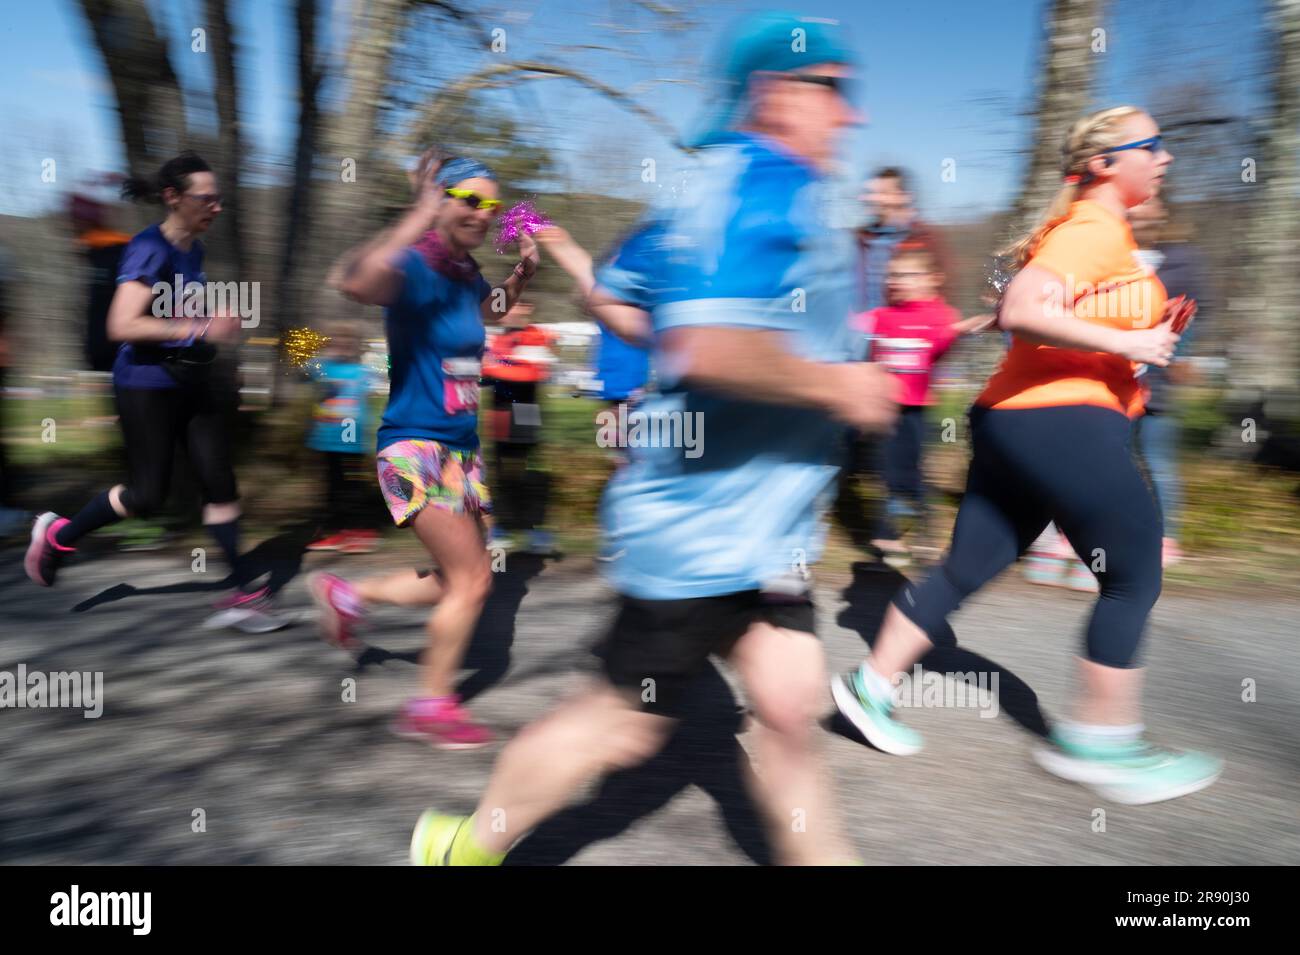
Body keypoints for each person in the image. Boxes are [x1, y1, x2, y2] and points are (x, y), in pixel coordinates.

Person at [407, 12, 899, 866]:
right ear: (775, 94)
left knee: (788, 713)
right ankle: (460, 848)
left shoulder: (725, 198)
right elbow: (707, 346)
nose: (851, 114)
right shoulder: (754, 185)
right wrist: (839, 385)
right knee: (623, 724)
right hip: (696, 537)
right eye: (836, 91)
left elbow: (615, 296)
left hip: (770, 533)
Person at [831, 106, 1222, 805]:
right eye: (1153, 147)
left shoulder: (1094, 232)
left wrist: (1147, 333)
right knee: (1133, 571)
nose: (1165, 159)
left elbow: (1059, 319)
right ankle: (1100, 746)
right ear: (1106, 163)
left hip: (1015, 419)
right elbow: (1023, 306)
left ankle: (869, 687)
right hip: (1061, 422)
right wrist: (1132, 345)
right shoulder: (1093, 226)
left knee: (967, 565)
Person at [311, 150, 539, 749]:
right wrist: (416, 215)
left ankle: (348, 593)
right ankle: (429, 706)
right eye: (470, 200)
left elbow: (488, 314)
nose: (484, 213)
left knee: (459, 579)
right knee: (473, 584)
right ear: (441, 201)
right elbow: (352, 280)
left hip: (463, 448)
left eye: (491, 204)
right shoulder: (414, 266)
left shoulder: (465, 273)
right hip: (413, 447)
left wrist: (520, 278)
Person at [24, 152, 285, 633]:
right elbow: (122, 323)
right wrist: (200, 326)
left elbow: (179, 318)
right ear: (174, 198)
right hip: (145, 385)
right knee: (147, 495)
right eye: (207, 199)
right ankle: (61, 532)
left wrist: (208, 334)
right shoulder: (150, 248)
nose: (217, 207)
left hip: (191, 381)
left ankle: (242, 594)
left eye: (220, 198)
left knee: (220, 480)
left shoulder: (193, 252)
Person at [853, 243, 993, 562]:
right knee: (885, 470)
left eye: (906, 275)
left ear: (931, 279)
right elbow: (849, 328)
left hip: (916, 409)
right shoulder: (881, 316)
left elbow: (946, 337)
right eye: (892, 275)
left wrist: (970, 326)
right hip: (884, 408)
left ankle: (927, 533)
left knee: (912, 471)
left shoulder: (939, 315)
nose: (896, 281)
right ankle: (886, 535)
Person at [1129, 193, 1209, 567]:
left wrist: (1186, 356)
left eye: (1149, 203)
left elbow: (1194, 314)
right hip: (1114, 379)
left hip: (1159, 377)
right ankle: (1114, 532)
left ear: (1162, 210)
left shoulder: (1183, 260)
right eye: (1136, 204)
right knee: (1113, 460)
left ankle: (1166, 539)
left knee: (1158, 460)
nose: (1141, 210)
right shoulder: (1111, 255)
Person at [481, 300, 558, 555]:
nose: (511, 312)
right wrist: (501, 364)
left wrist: (497, 364)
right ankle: (502, 527)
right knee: (502, 471)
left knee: (530, 470)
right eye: (506, 308)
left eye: (518, 307)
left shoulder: (536, 335)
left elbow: (531, 373)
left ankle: (533, 529)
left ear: (528, 309)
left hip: (526, 410)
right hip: (500, 411)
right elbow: (481, 375)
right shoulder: (492, 339)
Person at [304, 320, 382, 554]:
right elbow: (305, 372)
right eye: (338, 343)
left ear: (356, 347)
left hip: (352, 441)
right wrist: (321, 359)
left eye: (348, 344)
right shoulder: (324, 366)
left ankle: (360, 532)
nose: (343, 347)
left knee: (353, 487)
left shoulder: (363, 370)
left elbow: (378, 384)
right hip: (326, 439)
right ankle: (337, 533)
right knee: (332, 487)